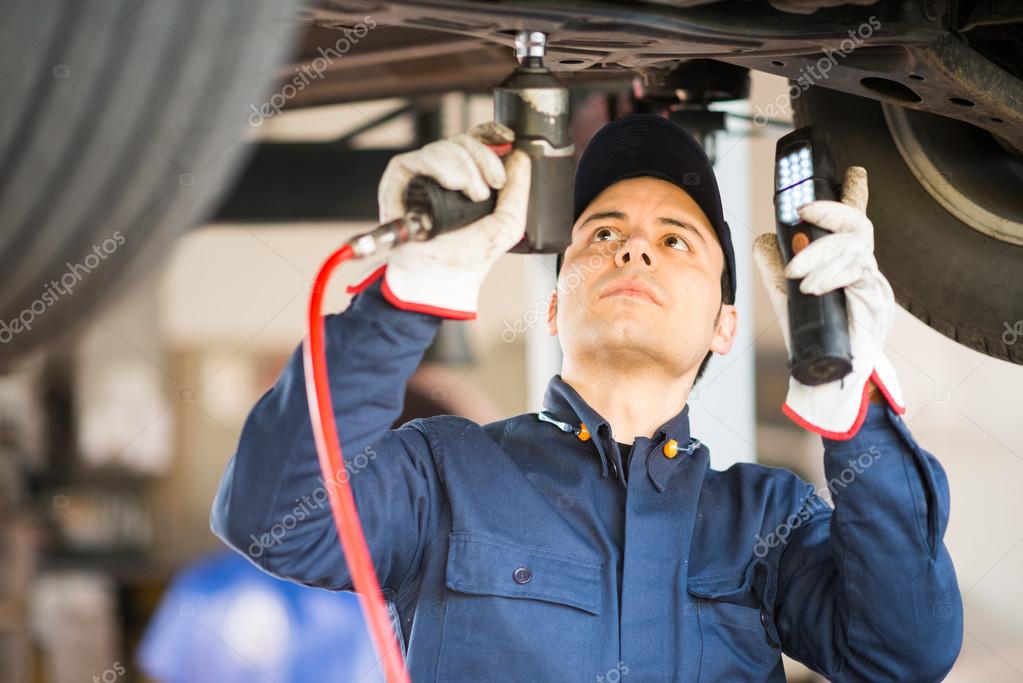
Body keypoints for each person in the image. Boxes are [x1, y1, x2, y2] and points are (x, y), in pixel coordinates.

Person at [210, 113, 963, 682]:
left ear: (723, 325)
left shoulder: (765, 520)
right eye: (602, 233)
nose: (633, 247)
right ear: (550, 307)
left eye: (676, 240)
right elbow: (274, 520)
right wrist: (406, 296)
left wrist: (851, 402)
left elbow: (901, 651)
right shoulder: (443, 473)